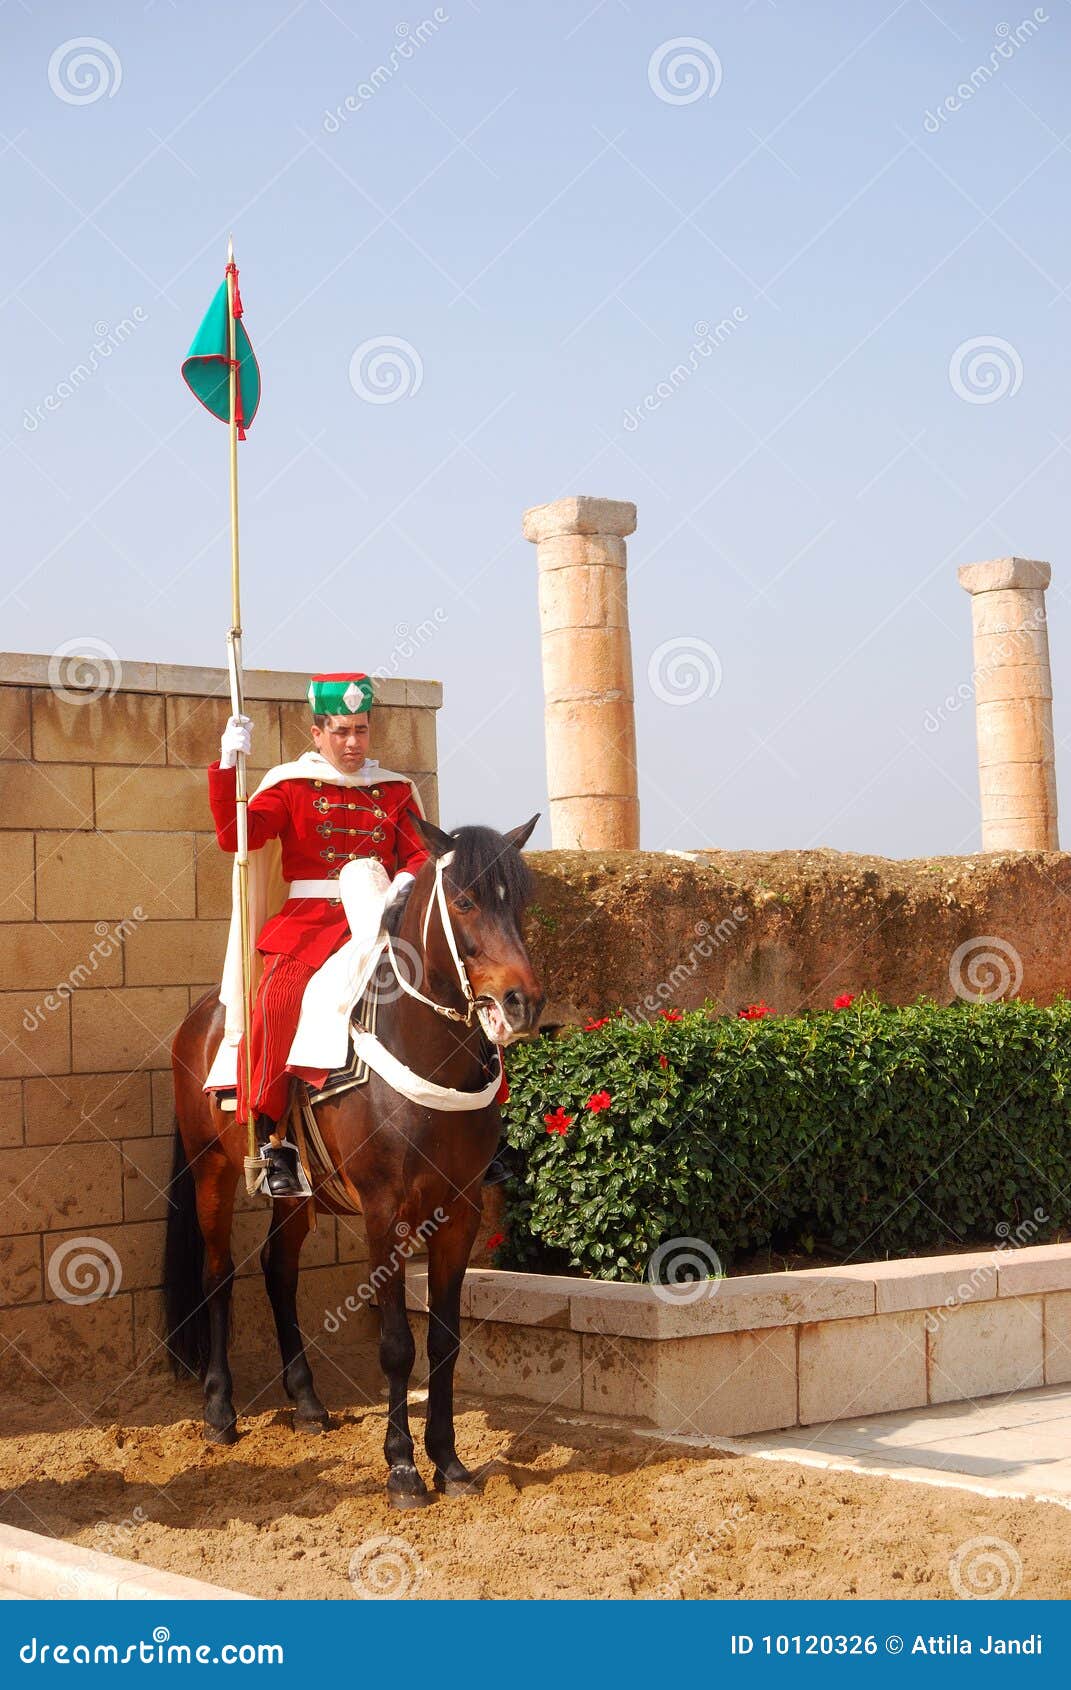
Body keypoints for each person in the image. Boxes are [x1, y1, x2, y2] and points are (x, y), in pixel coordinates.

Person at [207, 671, 431, 1196]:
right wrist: (228, 766)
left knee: (450, 986)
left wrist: (402, 881)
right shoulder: (289, 786)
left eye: (361, 731)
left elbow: (419, 851)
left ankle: (480, 1121)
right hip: (308, 923)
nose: (352, 744)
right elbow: (233, 837)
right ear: (317, 733)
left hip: (378, 916)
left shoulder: (395, 790)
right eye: (340, 732)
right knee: (279, 999)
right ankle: (273, 1139)